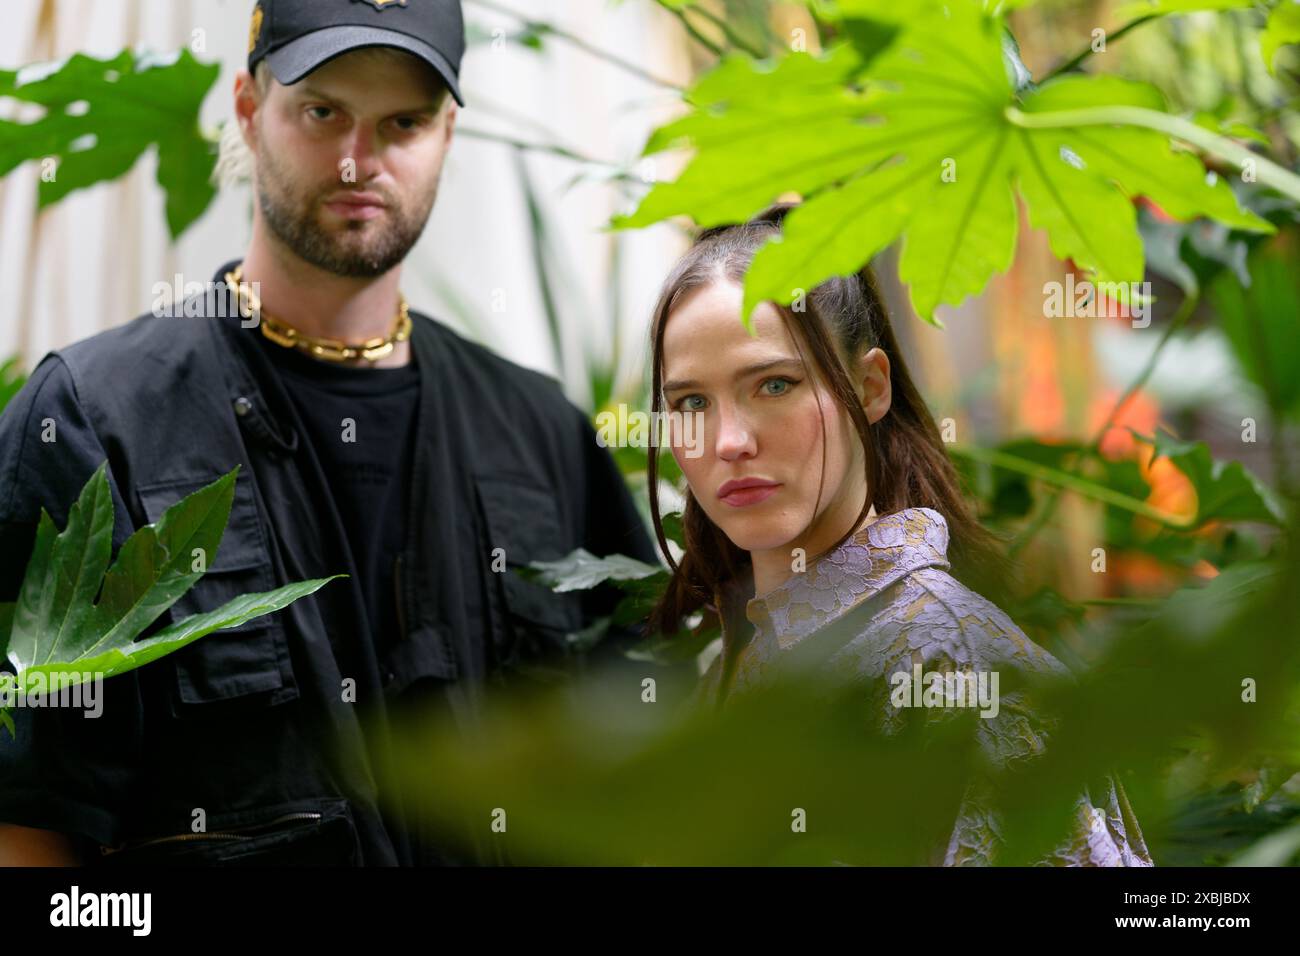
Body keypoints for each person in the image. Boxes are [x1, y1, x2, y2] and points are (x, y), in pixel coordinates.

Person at [0, 0, 655, 866]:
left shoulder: (542, 433)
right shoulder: (92, 420)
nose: (358, 160)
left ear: (446, 134)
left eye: (403, 122)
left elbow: (644, 777)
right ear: (247, 109)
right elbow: (28, 823)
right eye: (322, 112)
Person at [643, 204, 1154, 866]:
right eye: (691, 403)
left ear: (871, 386)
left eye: (774, 384)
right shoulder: (748, 651)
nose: (730, 441)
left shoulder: (957, 662)